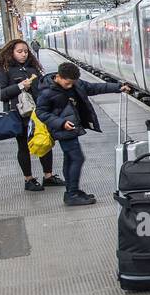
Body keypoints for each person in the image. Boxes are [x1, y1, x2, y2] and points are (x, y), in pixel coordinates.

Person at [34, 62, 131, 207]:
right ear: (59, 77)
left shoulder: (74, 83)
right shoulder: (47, 91)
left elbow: (94, 88)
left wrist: (118, 87)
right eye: (67, 83)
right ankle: (72, 193)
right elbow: (40, 112)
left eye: (72, 83)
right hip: (62, 129)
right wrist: (61, 123)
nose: (70, 86)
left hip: (70, 128)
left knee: (70, 158)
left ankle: (72, 191)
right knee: (77, 158)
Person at [0, 38, 59, 192]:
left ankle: (48, 176)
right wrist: (19, 86)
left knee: (45, 142)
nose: (23, 55)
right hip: (19, 114)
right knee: (23, 147)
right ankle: (28, 179)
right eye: (19, 52)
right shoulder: (2, 70)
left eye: (26, 52)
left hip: (39, 113)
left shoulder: (33, 67)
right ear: (11, 53)